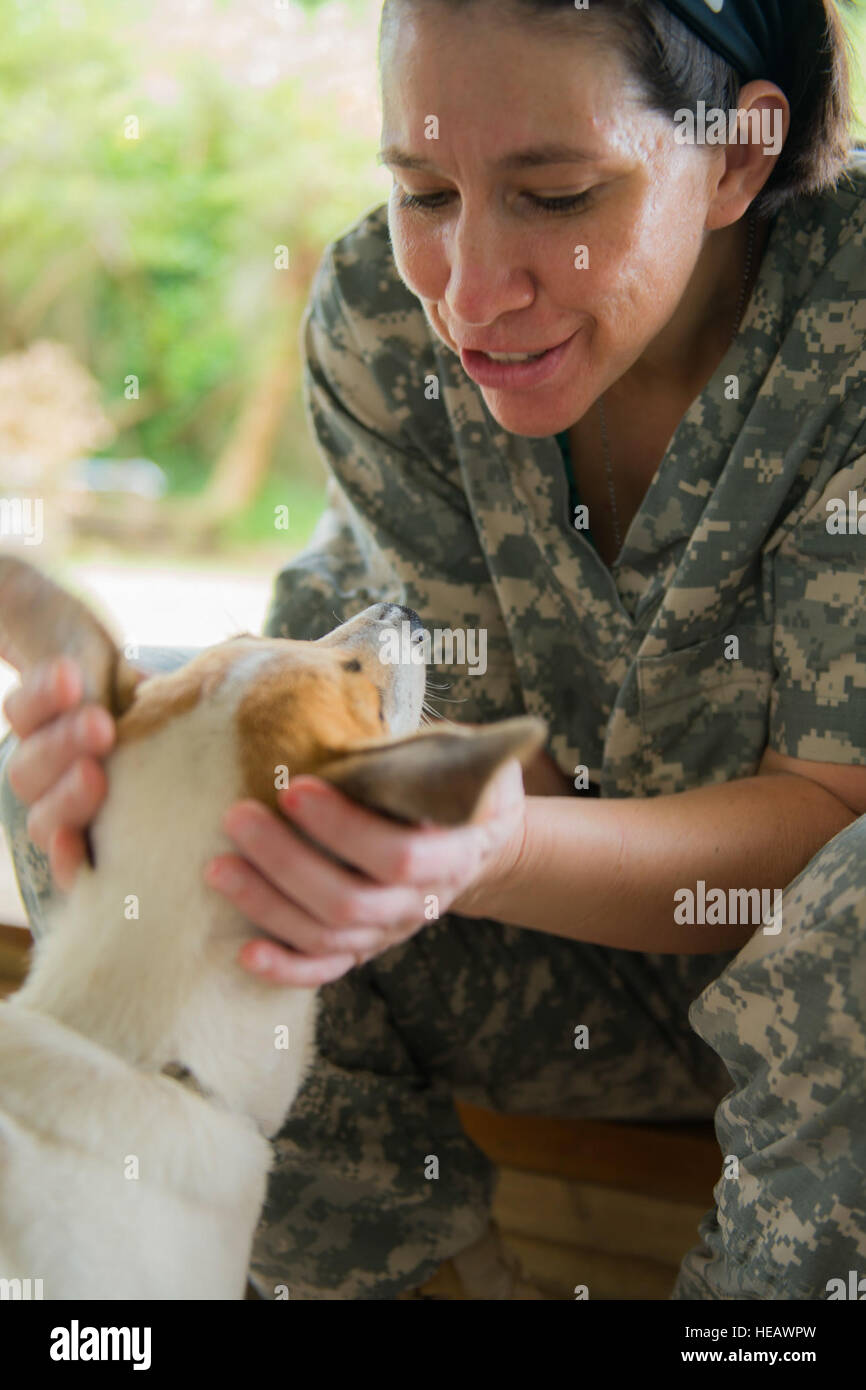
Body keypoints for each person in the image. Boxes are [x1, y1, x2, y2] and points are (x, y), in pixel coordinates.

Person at [2, 0, 865, 1300]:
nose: (467, 290)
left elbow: (826, 814)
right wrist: (184, 784)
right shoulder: (381, 328)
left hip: (808, 980)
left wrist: (490, 846)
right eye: (420, 190)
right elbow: (447, 741)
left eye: (558, 194)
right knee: (149, 832)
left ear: (739, 154)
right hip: (554, 961)